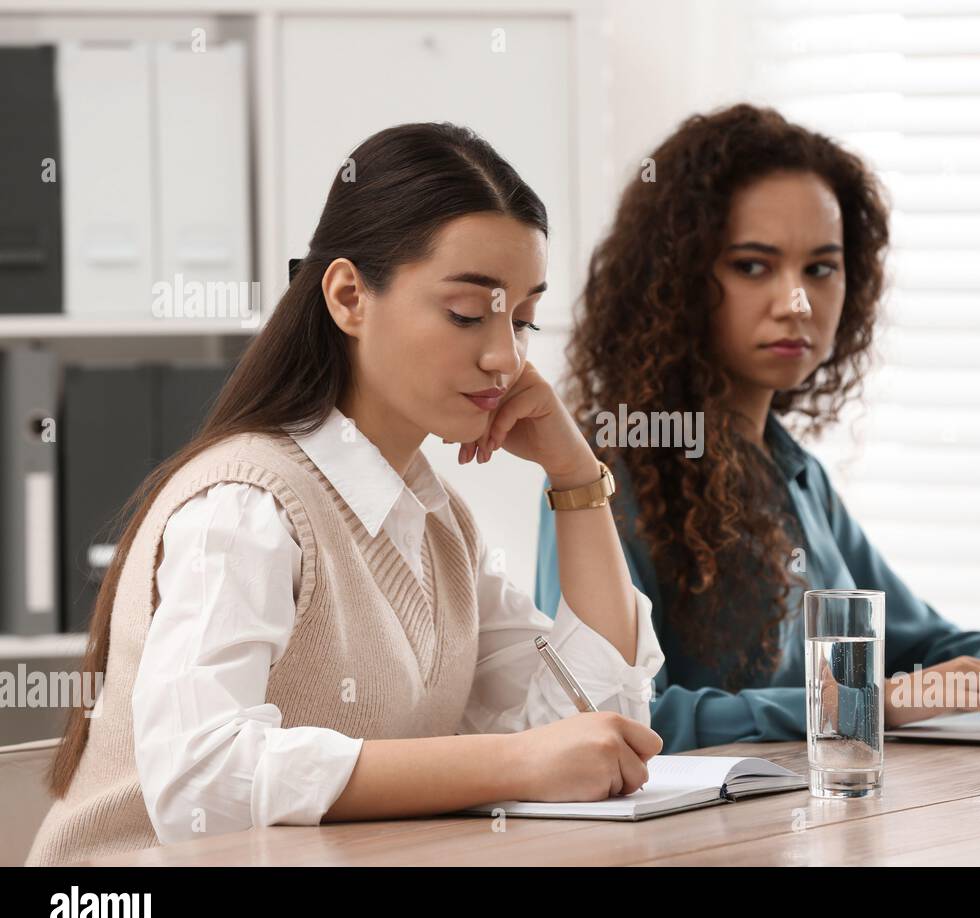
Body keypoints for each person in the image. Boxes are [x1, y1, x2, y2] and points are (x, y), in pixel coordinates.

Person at [29, 122, 663, 866]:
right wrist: (511, 762)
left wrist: (577, 480)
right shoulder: (247, 504)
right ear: (348, 296)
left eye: (522, 320)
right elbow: (200, 784)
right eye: (467, 313)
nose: (505, 357)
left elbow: (600, 728)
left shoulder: (436, 525)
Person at [535, 104, 980, 753]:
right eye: (752, 266)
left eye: (820, 268)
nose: (796, 303)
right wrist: (860, 703)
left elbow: (925, 644)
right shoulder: (608, 473)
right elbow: (608, 720)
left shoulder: (793, 473)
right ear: (675, 281)